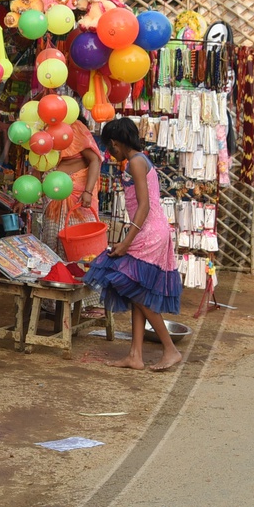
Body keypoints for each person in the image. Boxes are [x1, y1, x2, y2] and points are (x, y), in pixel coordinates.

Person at [82, 118, 182, 371]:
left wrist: (126, 242)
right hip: (147, 230)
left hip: (149, 232)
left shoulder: (137, 162)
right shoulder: (139, 159)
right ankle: (135, 355)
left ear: (115, 143)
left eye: (109, 147)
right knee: (137, 291)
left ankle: (170, 349)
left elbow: (145, 206)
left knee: (133, 288)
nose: (109, 152)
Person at [41, 122, 102, 247]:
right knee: (53, 243)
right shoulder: (44, 128)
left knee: (79, 246)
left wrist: (88, 192)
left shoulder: (75, 129)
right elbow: (38, 165)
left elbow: (94, 160)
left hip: (78, 198)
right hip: (53, 197)